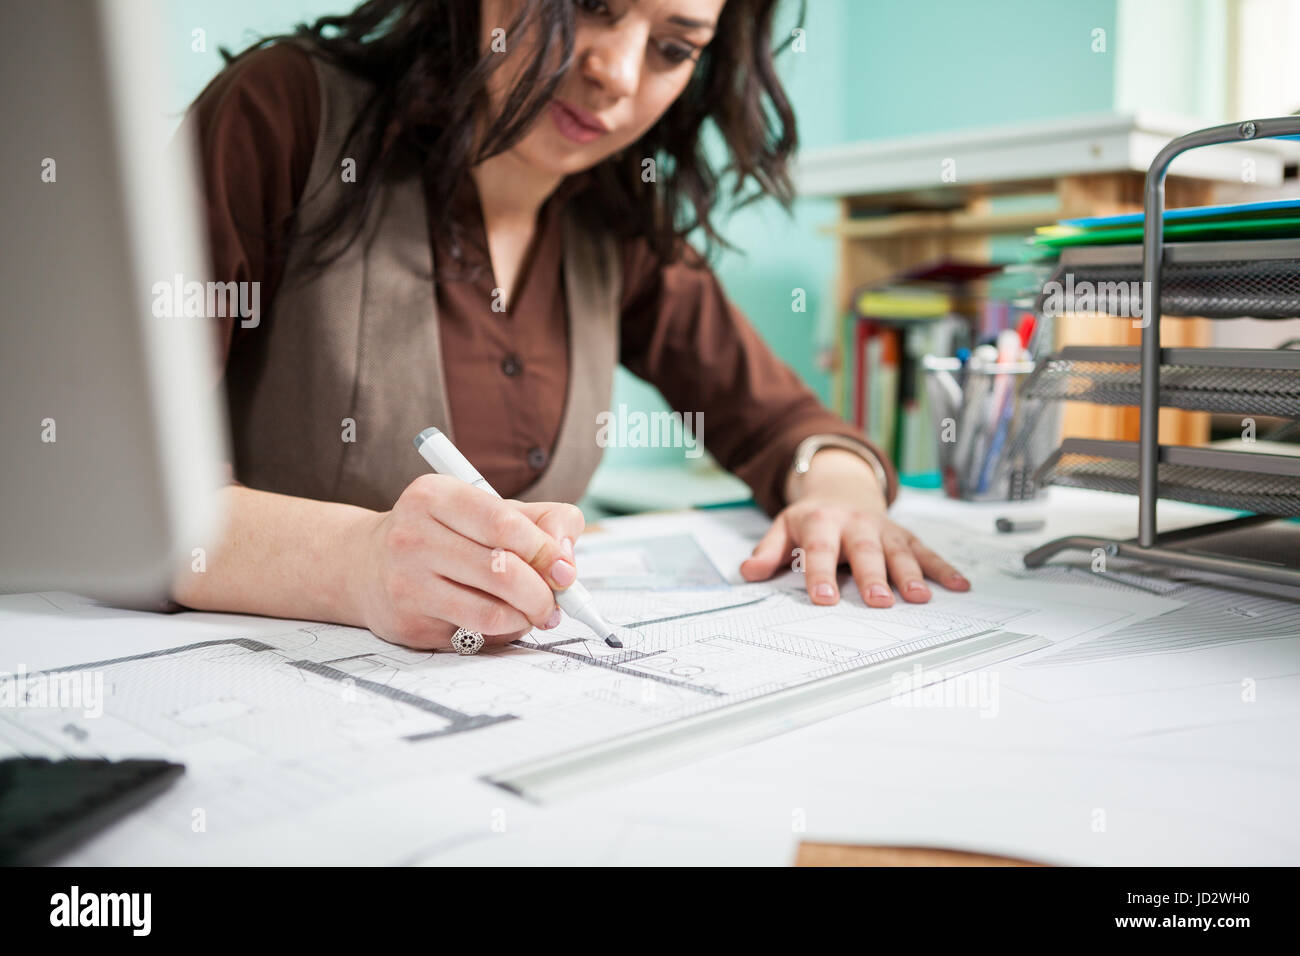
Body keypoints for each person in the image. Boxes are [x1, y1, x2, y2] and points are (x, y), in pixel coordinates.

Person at [171, 0, 969, 651]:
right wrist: (357, 565)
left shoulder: (620, 219)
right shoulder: (281, 115)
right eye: (591, 6)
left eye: (672, 48)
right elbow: (113, 493)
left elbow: (787, 426)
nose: (616, 74)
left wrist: (839, 495)